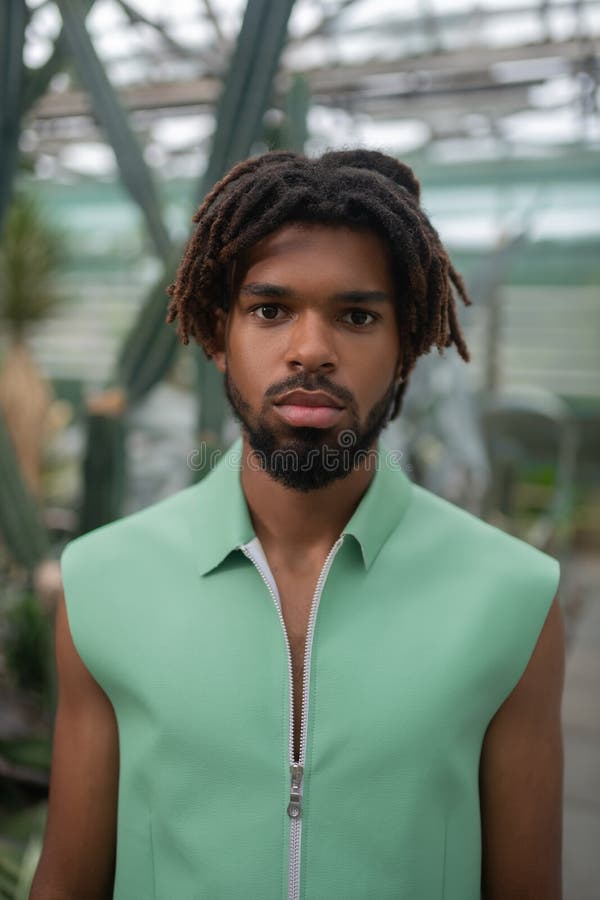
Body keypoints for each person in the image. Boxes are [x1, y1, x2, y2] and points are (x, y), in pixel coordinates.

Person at [30, 150, 564, 900]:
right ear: (217, 334)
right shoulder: (101, 583)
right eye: (270, 310)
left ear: (406, 346)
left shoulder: (514, 597)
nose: (311, 350)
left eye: (356, 315)